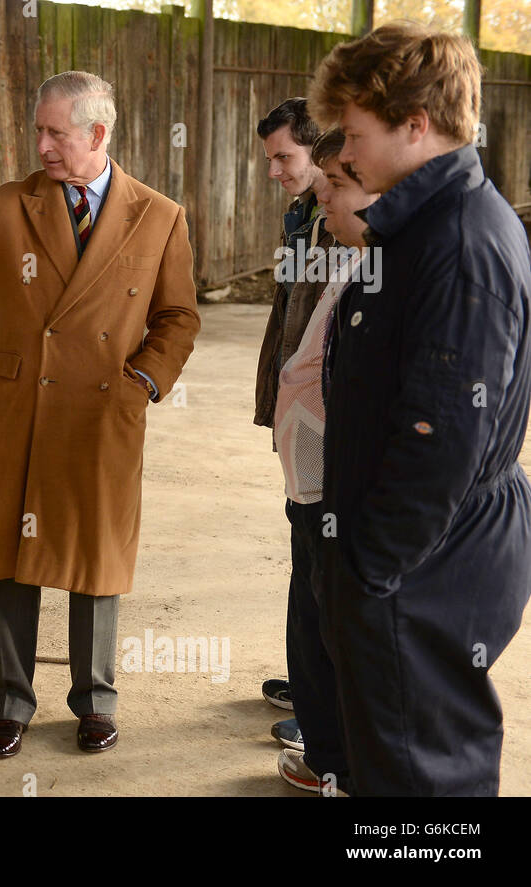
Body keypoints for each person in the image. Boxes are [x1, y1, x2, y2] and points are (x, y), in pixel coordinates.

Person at [0, 71, 199, 758]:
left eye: (56, 132)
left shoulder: (160, 215)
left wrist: (140, 380)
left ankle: (95, 702)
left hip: (104, 411)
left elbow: (178, 316)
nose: (43, 145)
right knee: (15, 559)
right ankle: (9, 705)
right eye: (39, 130)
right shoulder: (12, 203)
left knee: (96, 558)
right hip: (23, 406)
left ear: (97, 133)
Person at [312, 21, 531, 795]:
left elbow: (442, 436)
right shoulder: (425, 225)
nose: (343, 154)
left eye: (354, 133)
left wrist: (372, 570)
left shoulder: (462, 242)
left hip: (429, 562)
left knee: (425, 780)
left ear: (416, 124)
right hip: (421, 557)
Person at [272, 127, 378, 794]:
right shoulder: (342, 256)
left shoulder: (382, 275)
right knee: (311, 611)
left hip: (333, 487)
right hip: (308, 480)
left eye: (336, 186)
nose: (323, 200)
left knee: (332, 621)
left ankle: (337, 759)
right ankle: (325, 749)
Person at [252, 98, 331, 749]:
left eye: (285, 157)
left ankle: (323, 709)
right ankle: (307, 681)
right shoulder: (301, 217)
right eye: (271, 158)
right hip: (296, 412)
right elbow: (288, 313)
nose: (276, 169)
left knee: (325, 554)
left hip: (328, 417)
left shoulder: (343, 220)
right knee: (302, 544)